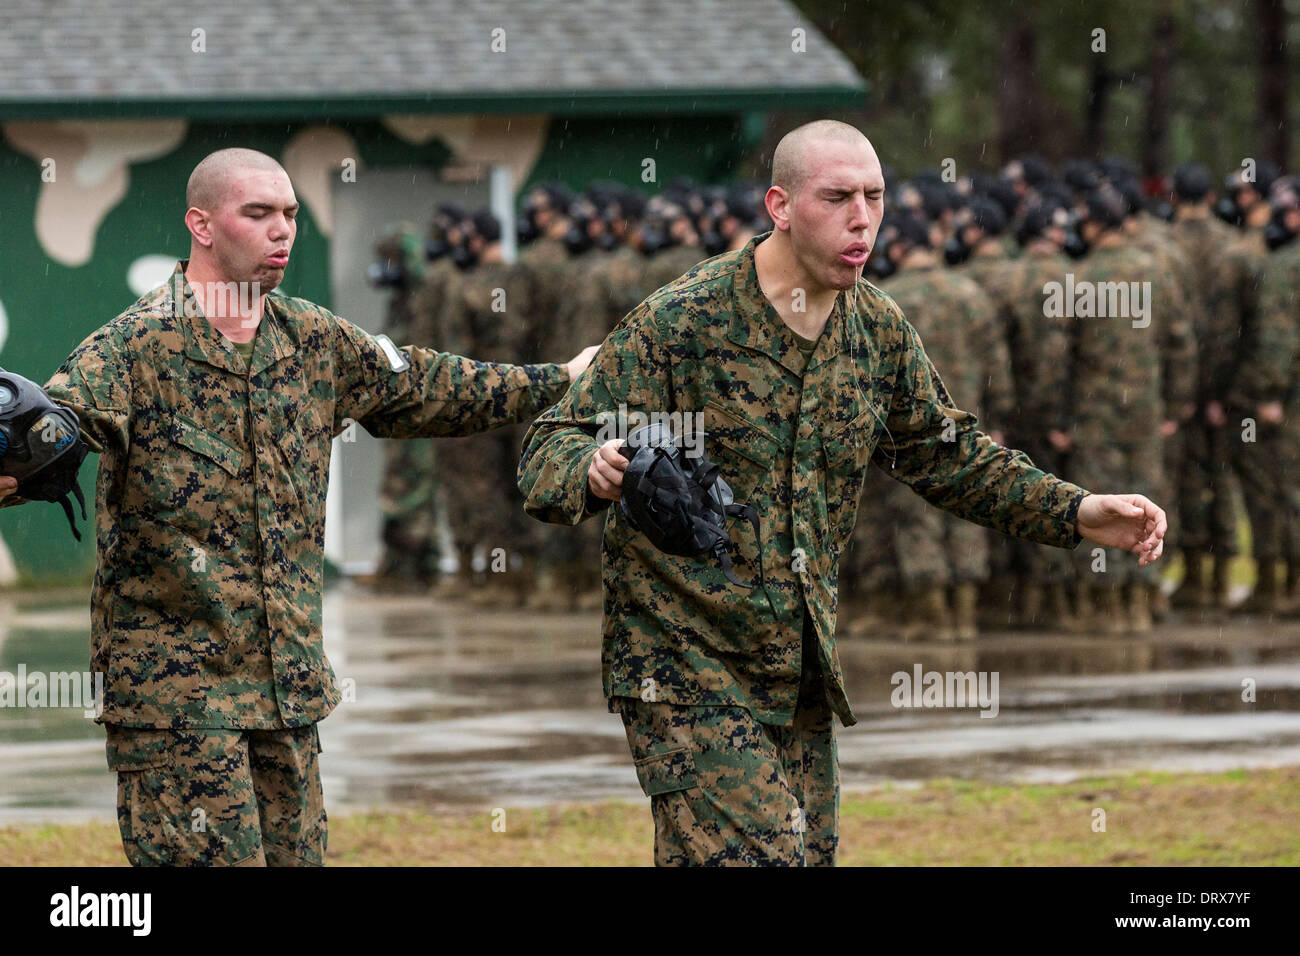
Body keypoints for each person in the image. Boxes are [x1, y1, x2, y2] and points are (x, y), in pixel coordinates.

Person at [517, 120, 1168, 866]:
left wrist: (1078, 512)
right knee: (759, 857)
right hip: (682, 660)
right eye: (837, 198)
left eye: (875, 197)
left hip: (797, 666)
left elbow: (948, 456)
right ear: (780, 206)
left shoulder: (876, 332)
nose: (863, 219)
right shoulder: (684, 321)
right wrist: (593, 468)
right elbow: (550, 443)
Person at [0, 148, 597, 866]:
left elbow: (428, 386)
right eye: (258, 214)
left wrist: (560, 379)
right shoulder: (134, 347)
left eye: (288, 213)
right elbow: (55, 430)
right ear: (202, 225)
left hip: (287, 698)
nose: (282, 230)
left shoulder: (312, 339)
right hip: (177, 706)